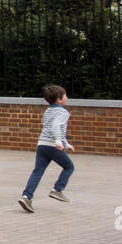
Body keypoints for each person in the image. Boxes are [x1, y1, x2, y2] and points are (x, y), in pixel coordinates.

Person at [18, 84, 74, 213]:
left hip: (42, 144)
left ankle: (26, 197)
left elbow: (54, 128)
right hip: (53, 146)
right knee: (69, 167)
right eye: (65, 95)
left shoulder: (48, 111)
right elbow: (55, 127)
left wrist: (66, 144)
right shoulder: (63, 112)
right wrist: (59, 141)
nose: (67, 97)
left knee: (37, 171)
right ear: (59, 99)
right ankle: (57, 190)